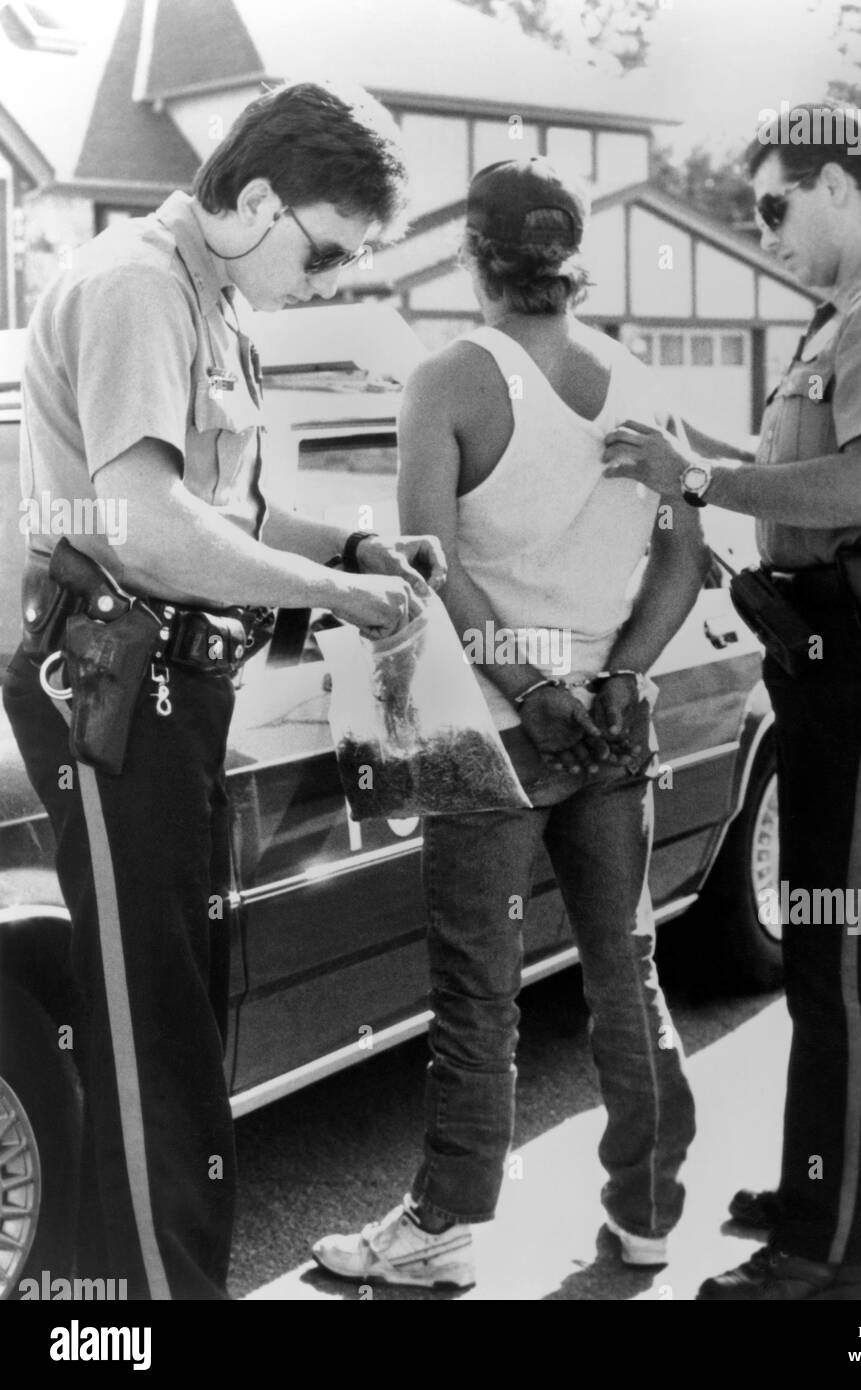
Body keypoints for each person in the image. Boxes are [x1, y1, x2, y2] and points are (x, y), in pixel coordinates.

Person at [2, 80, 445, 1301]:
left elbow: (227, 513)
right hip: (114, 692)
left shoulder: (210, 295)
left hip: (175, 695)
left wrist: (352, 552)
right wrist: (331, 594)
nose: (332, 275)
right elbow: (144, 526)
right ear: (256, 200)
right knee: (164, 1052)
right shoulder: (140, 285)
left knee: (164, 1031)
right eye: (327, 247)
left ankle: (103, 1321)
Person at [603, 105, 861, 1300]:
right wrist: (685, 442)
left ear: (832, 183)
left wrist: (702, 477)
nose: (762, 230)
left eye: (771, 203)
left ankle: (827, 1249)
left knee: (828, 938)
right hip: (844, 637)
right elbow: (815, 464)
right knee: (843, 933)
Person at [311, 157, 708, 1289]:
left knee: (478, 991)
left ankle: (440, 1226)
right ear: (572, 255)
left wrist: (532, 690)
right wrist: (621, 673)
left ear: (470, 256)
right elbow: (682, 554)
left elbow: (428, 571)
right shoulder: (639, 379)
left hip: (493, 729)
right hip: (614, 730)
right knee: (626, 971)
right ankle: (643, 1217)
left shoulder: (452, 378)